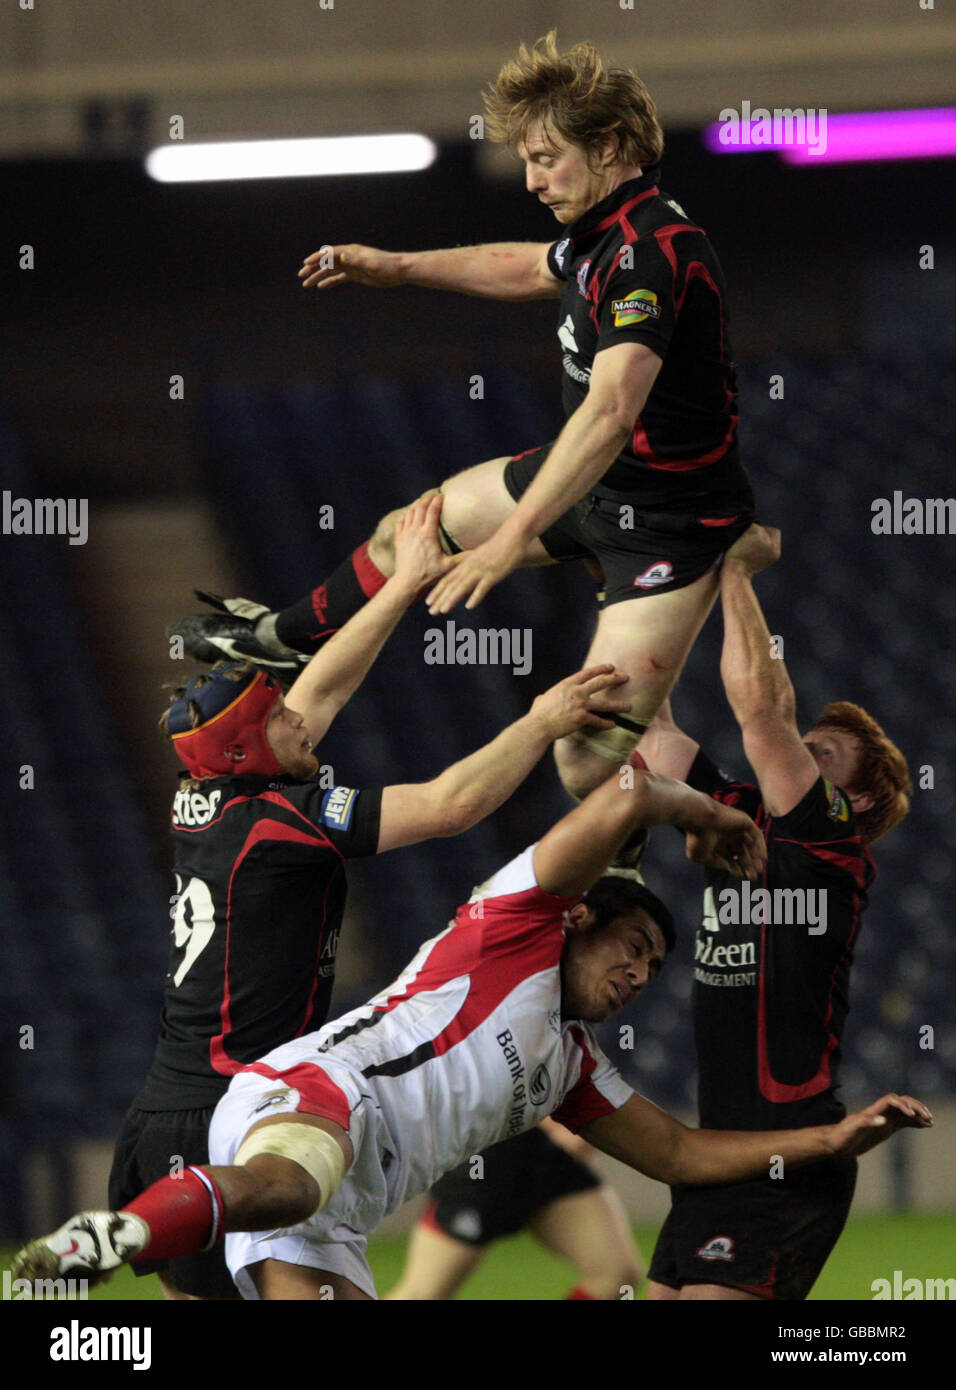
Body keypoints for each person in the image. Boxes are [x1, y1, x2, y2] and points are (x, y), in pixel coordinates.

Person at [15, 760, 930, 1302]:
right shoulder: (514, 927)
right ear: (579, 920)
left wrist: (833, 1139)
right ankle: (114, 1240)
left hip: (351, 1209)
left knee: (306, 1199)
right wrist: (712, 815)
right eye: (635, 946)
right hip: (319, 1099)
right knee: (287, 1186)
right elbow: (622, 793)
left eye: (654, 970)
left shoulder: (570, 1063)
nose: (640, 976)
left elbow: (682, 1156)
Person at [172, 31, 753, 813]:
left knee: (586, 766)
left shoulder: (651, 252)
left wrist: (510, 542)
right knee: (405, 533)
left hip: (667, 526)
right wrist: (396, 267)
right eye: (525, 161)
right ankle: (282, 637)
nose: (531, 179)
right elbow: (524, 265)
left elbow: (613, 411)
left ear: (609, 144)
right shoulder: (598, 233)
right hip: (595, 486)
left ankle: (741, 815)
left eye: (545, 158)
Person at [108, 495, 631, 1301]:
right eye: (275, 715)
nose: (296, 713)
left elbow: (316, 698)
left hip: (164, 1115)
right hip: (236, 1116)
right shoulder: (284, 817)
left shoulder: (217, 795)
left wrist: (401, 585)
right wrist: (539, 721)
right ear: (251, 746)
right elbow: (453, 804)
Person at [635, 523, 914, 1301]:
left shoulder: (832, 842)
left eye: (820, 756)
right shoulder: (743, 824)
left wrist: (735, 573)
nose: (797, 754)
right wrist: (649, 588)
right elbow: (650, 735)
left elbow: (764, 712)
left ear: (850, 801)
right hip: (715, 1155)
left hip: (784, 1161)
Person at [386, 1119, 643, 1301]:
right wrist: (556, 1118)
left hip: (549, 1158)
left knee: (618, 1276)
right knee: (422, 1294)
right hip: (488, 1156)